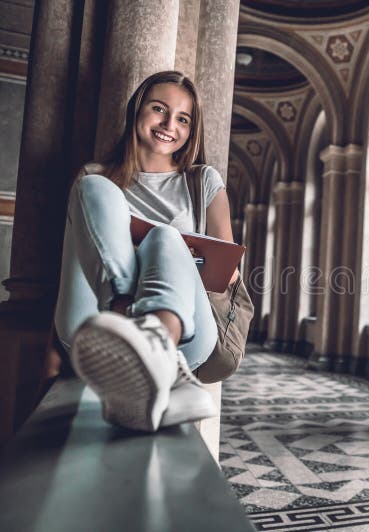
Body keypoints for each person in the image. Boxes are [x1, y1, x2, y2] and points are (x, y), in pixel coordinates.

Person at [54, 71, 237, 432]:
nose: (170, 124)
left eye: (183, 118)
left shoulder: (202, 181)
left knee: (166, 239)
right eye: (159, 109)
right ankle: (132, 335)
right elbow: (69, 261)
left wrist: (161, 255)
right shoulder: (95, 177)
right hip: (95, 323)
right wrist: (48, 352)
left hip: (186, 334)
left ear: (191, 128)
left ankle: (155, 347)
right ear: (138, 109)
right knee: (93, 185)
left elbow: (228, 272)